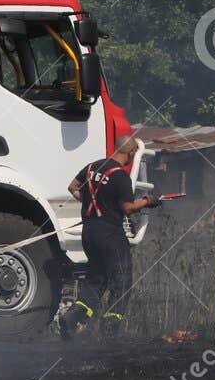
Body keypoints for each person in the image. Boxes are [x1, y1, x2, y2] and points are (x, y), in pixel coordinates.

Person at [62, 135, 159, 336]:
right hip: (110, 235)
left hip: (89, 233)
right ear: (131, 153)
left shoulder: (91, 167)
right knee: (121, 280)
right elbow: (128, 208)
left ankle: (73, 316)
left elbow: (72, 186)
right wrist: (147, 201)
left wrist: (89, 203)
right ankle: (110, 327)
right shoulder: (120, 176)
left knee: (97, 279)